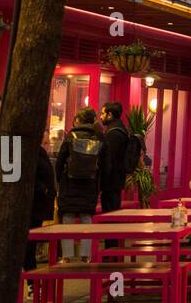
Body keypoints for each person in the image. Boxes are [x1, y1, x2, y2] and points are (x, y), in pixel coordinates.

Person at [55, 107, 105, 262]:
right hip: (90, 184)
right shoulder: (98, 137)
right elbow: (104, 163)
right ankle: (86, 255)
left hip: (70, 184)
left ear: (79, 120)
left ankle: (67, 256)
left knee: (68, 218)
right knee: (86, 218)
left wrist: (60, 180)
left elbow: (60, 160)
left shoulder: (71, 136)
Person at [25, 130, 57, 273]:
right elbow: (30, 175)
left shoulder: (39, 152)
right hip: (35, 203)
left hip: (40, 203)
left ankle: (31, 275)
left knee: (32, 240)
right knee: (30, 241)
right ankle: (31, 277)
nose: (47, 137)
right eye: (45, 134)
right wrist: (43, 189)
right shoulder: (33, 153)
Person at [98, 102, 130, 214]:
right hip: (116, 180)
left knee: (109, 213)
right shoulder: (120, 129)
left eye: (102, 113)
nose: (100, 116)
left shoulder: (113, 133)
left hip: (111, 181)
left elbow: (109, 158)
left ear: (110, 115)